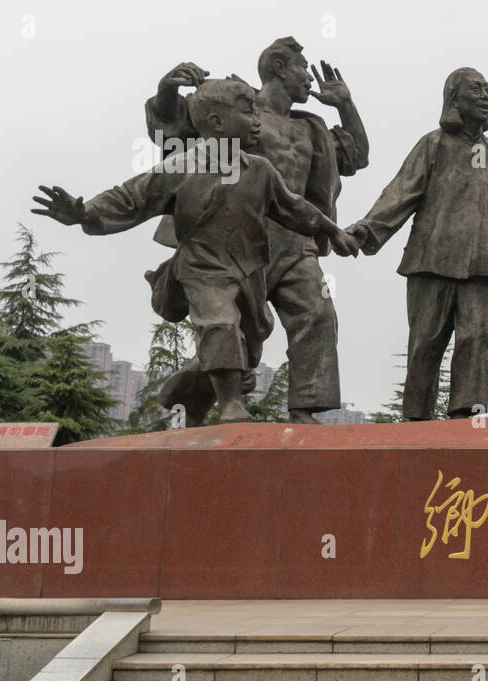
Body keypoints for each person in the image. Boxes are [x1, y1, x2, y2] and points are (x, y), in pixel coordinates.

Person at [33, 78, 359, 424]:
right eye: (248, 112)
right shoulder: (182, 166)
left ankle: (195, 392)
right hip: (202, 267)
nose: (257, 121)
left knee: (257, 340)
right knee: (220, 322)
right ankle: (231, 405)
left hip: (249, 269)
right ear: (218, 123)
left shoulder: (260, 170)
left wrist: (331, 230)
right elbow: (131, 197)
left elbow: (295, 207)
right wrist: (84, 213)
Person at [144, 37, 369, 423]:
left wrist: (346, 105)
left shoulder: (310, 128)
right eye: (302, 68)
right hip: (242, 235)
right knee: (244, 337)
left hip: (299, 238)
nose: (309, 79)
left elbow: (355, 157)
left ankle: (304, 411)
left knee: (317, 313)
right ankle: (188, 395)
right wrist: (167, 92)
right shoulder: (239, 108)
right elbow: (175, 134)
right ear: (280, 68)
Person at [347, 68, 488, 421]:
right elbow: (401, 193)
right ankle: (416, 419)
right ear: (453, 99)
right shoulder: (433, 144)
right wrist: (367, 230)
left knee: (479, 341)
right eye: (476, 90)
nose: (486, 96)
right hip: (431, 261)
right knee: (425, 344)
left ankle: (465, 419)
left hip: (484, 266)